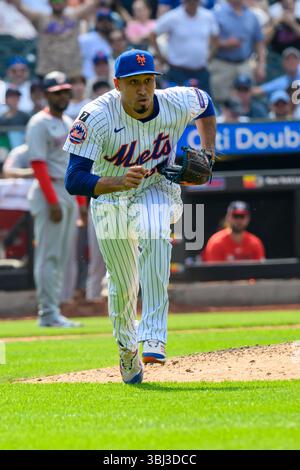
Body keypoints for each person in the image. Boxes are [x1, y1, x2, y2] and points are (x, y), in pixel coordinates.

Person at [63, 48, 217, 384]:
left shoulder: (174, 101)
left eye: (148, 81)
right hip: (109, 199)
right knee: (121, 286)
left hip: (156, 188)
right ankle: (127, 351)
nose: (144, 89)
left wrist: (208, 152)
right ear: (118, 84)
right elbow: (73, 179)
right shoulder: (96, 117)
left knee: (154, 231)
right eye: (134, 83)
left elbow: (205, 103)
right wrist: (116, 181)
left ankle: (153, 334)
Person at [26, 71, 85, 327]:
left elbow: (75, 165)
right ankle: (47, 313)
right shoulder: (38, 123)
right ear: (47, 94)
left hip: (68, 190)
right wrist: (52, 201)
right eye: (56, 92)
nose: (62, 96)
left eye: (65, 91)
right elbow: (38, 164)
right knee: (49, 255)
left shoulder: (69, 121)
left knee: (61, 256)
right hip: (49, 189)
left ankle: (53, 311)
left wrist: (81, 203)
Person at [11, 0, 101, 78]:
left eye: (61, 0)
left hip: (72, 70)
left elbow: (93, 4)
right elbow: (20, 7)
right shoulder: (40, 18)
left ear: (66, 3)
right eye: (55, 0)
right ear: (49, 3)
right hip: (47, 70)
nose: (58, 3)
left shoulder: (74, 15)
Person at [151, 0, 219, 92]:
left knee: (205, 104)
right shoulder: (173, 16)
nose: (192, 3)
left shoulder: (208, 16)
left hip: (201, 71)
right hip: (178, 72)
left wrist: (210, 55)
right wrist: (161, 56)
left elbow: (215, 37)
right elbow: (152, 34)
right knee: (176, 104)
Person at [210, 0, 266, 103]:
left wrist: (261, 65)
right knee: (221, 101)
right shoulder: (217, 13)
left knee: (247, 101)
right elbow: (208, 41)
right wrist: (225, 44)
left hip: (244, 64)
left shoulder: (251, 15)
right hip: (222, 64)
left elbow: (259, 42)